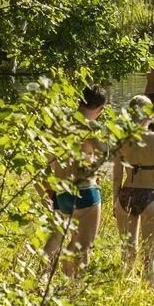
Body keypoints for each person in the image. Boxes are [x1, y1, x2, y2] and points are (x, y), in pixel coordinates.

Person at [43, 85, 109, 277]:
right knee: (84, 245)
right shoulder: (91, 128)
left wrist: (49, 188)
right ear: (100, 109)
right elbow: (107, 154)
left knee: (58, 237)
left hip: (62, 193)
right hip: (86, 191)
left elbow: (48, 160)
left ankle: (41, 276)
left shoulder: (58, 125)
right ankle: (75, 286)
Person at [112, 94, 154, 279]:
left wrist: (115, 202)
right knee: (150, 259)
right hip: (151, 197)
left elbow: (116, 177)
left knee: (127, 255)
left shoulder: (121, 139)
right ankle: (149, 295)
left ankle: (125, 292)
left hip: (126, 196)